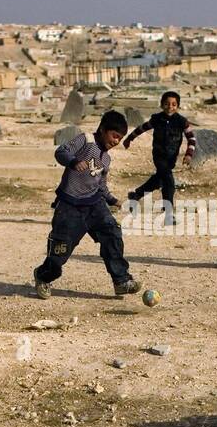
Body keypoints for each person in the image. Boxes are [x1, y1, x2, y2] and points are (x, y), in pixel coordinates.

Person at [33, 110, 142, 299]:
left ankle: (121, 280)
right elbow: (61, 152)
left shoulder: (106, 159)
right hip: (69, 206)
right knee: (61, 249)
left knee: (112, 234)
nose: (116, 141)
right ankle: (43, 277)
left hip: (95, 205)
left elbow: (101, 185)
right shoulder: (86, 140)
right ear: (102, 129)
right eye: (114, 135)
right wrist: (74, 162)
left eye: (120, 138)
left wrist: (113, 200)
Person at [122, 90, 196, 224]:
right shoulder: (157, 119)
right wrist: (129, 138)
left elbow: (191, 138)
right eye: (167, 104)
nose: (170, 107)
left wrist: (188, 154)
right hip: (159, 155)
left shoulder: (181, 121)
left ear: (177, 106)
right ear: (162, 105)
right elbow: (142, 128)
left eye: (173, 104)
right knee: (169, 182)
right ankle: (168, 214)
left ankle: (136, 195)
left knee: (159, 180)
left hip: (171, 157)